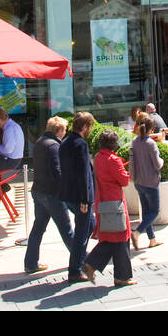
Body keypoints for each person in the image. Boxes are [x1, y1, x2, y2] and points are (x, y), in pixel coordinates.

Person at [81, 129, 136, 286]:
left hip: (103, 200)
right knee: (120, 236)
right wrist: (127, 172)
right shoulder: (114, 160)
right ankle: (114, 273)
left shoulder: (98, 157)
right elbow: (124, 180)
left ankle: (120, 275)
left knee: (113, 237)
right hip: (115, 201)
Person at [24, 116, 75, 274]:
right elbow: (57, 172)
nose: (65, 133)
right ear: (59, 130)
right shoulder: (53, 146)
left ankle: (30, 263)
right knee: (66, 229)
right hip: (52, 194)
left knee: (38, 228)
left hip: (39, 190)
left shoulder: (40, 142)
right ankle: (83, 259)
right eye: (64, 130)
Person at [58, 112, 96, 284]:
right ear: (86, 126)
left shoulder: (65, 142)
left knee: (90, 225)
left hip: (68, 193)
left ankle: (79, 257)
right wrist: (84, 199)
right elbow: (82, 174)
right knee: (82, 232)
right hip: (79, 196)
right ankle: (75, 269)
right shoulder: (80, 144)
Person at [130, 117, 164, 250]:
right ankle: (137, 232)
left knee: (146, 212)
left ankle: (152, 239)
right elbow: (157, 164)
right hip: (150, 181)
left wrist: (133, 177)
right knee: (154, 211)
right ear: (151, 129)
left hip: (139, 181)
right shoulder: (151, 143)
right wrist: (162, 161)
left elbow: (132, 162)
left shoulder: (135, 141)